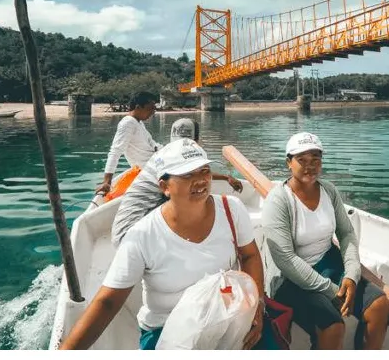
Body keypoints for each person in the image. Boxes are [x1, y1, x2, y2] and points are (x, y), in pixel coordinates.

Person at [60, 139, 271, 350]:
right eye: (187, 174)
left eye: (204, 171)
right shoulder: (142, 235)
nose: (200, 180)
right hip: (165, 327)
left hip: (228, 316)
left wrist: (257, 306)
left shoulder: (231, 209)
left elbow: (250, 255)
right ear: (164, 187)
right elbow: (108, 302)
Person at [261, 132, 389, 350]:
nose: (309, 166)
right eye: (301, 160)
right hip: (290, 279)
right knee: (332, 327)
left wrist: (351, 275)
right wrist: (331, 291)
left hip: (328, 264)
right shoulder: (279, 200)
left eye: (315, 160)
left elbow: (346, 234)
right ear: (288, 163)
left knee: (379, 306)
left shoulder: (328, 190)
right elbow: (285, 259)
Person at [111, 118, 243, 247]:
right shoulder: (180, 155)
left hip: (124, 232)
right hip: (131, 239)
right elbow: (193, 180)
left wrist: (226, 177)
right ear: (196, 139)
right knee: (194, 203)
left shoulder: (166, 154)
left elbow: (193, 175)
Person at [96, 91, 162, 196]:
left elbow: (153, 145)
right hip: (148, 171)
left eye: (154, 109)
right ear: (138, 107)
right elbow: (115, 152)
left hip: (156, 165)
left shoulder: (138, 123)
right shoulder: (128, 123)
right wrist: (107, 182)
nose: (153, 112)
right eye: (150, 109)